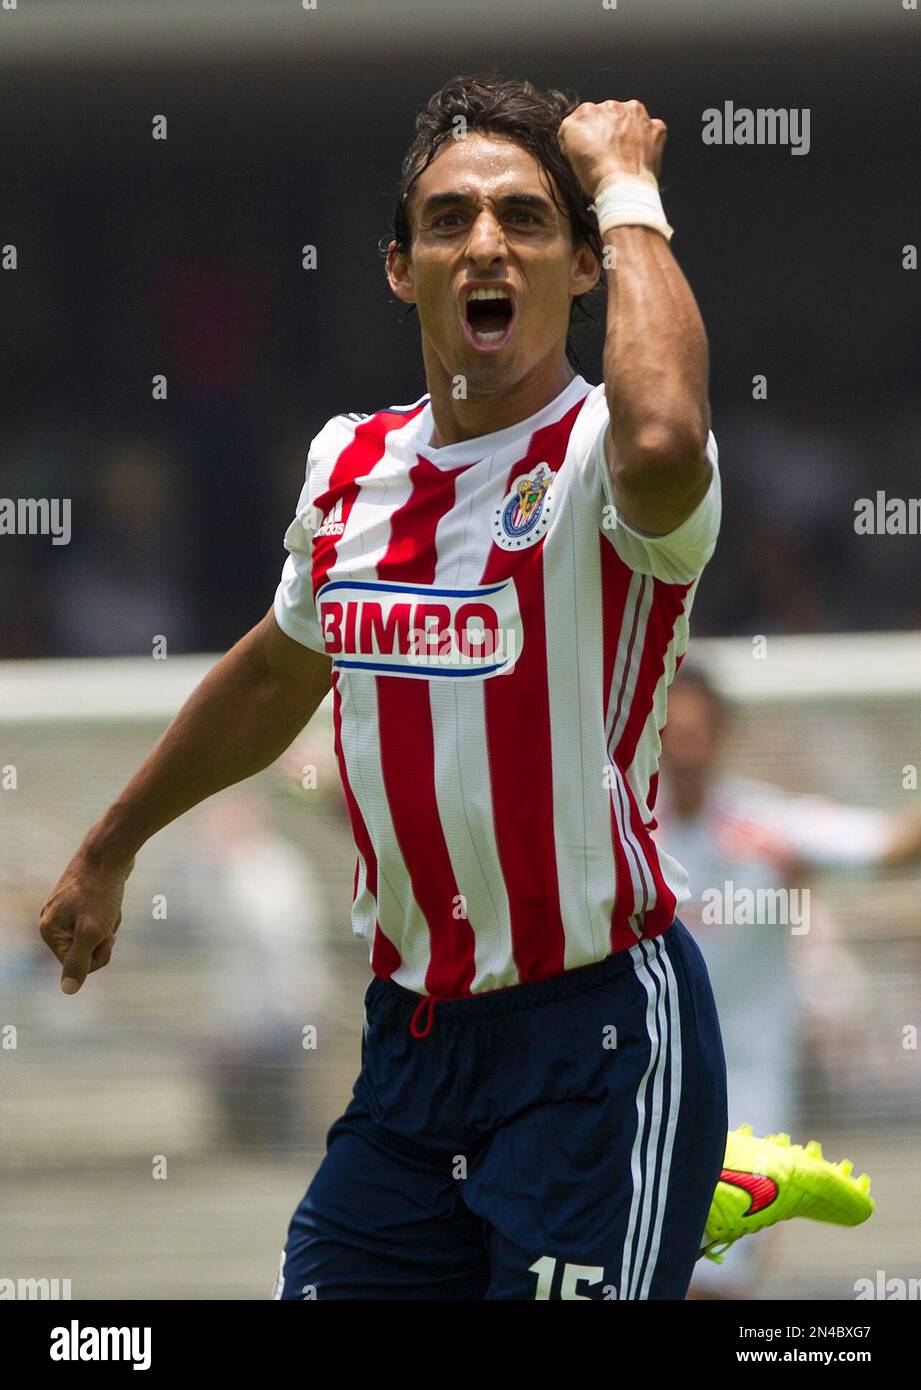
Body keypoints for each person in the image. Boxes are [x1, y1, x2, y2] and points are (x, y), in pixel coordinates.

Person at [38, 75, 868, 1301]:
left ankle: (668, 1182)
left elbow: (660, 441)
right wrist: (111, 846)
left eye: (528, 218)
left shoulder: (607, 459)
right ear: (398, 266)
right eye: (450, 218)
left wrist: (627, 189)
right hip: (413, 1049)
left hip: (597, 1040)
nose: (486, 241)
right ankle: (687, 1193)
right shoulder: (349, 464)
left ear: (584, 267)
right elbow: (278, 672)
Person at [658, 664, 917, 1294]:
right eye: (675, 731)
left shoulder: (767, 826)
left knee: (718, 1279)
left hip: (748, 1095)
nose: (688, 747)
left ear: (722, 735)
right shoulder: (621, 835)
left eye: (701, 731)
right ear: (652, 734)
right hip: (640, 1088)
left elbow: (890, 846)